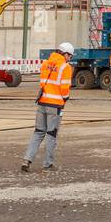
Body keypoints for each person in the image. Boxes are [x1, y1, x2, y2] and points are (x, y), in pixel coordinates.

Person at [22, 42, 75, 173]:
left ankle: (27, 160)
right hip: (55, 105)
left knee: (38, 132)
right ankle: (48, 164)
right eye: (70, 56)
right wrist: (66, 98)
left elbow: (43, 83)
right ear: (65, 54)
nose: (70, 59)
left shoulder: (46, 64)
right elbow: (64, 87)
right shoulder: (65, 67)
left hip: (42, 102)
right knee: (51, 134)